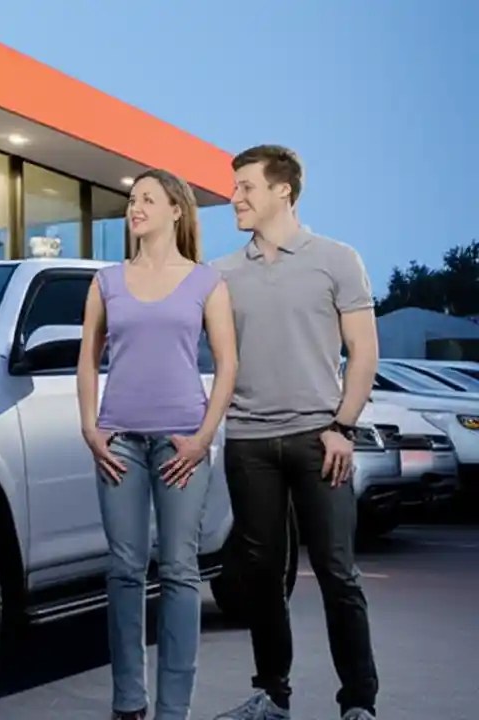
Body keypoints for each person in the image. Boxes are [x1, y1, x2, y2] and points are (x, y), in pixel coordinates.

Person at [210, 145, 380, 720]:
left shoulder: (337, 260)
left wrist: (343, 427)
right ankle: (272, 697)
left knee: (338, 573)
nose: (234, 197)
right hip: (249, 442)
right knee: (260, 576)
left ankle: (358, 703)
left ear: (283, 190)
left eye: (246, 187)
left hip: (319, 439)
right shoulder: (223, 274)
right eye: (234, 187)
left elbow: (364, 353)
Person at [77, 169, 238, 720]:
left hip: (182, 444)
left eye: (147, 198)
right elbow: (86, 358)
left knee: (178, 570)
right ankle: (129, 702)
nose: (134, 207)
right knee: (123, 571)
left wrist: (203, 439)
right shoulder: (107, 280)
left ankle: (174, 709)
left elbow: (228, 365)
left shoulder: (205, 282)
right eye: (130, 199)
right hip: (118, 443)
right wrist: (90, 426)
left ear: (176, 210)